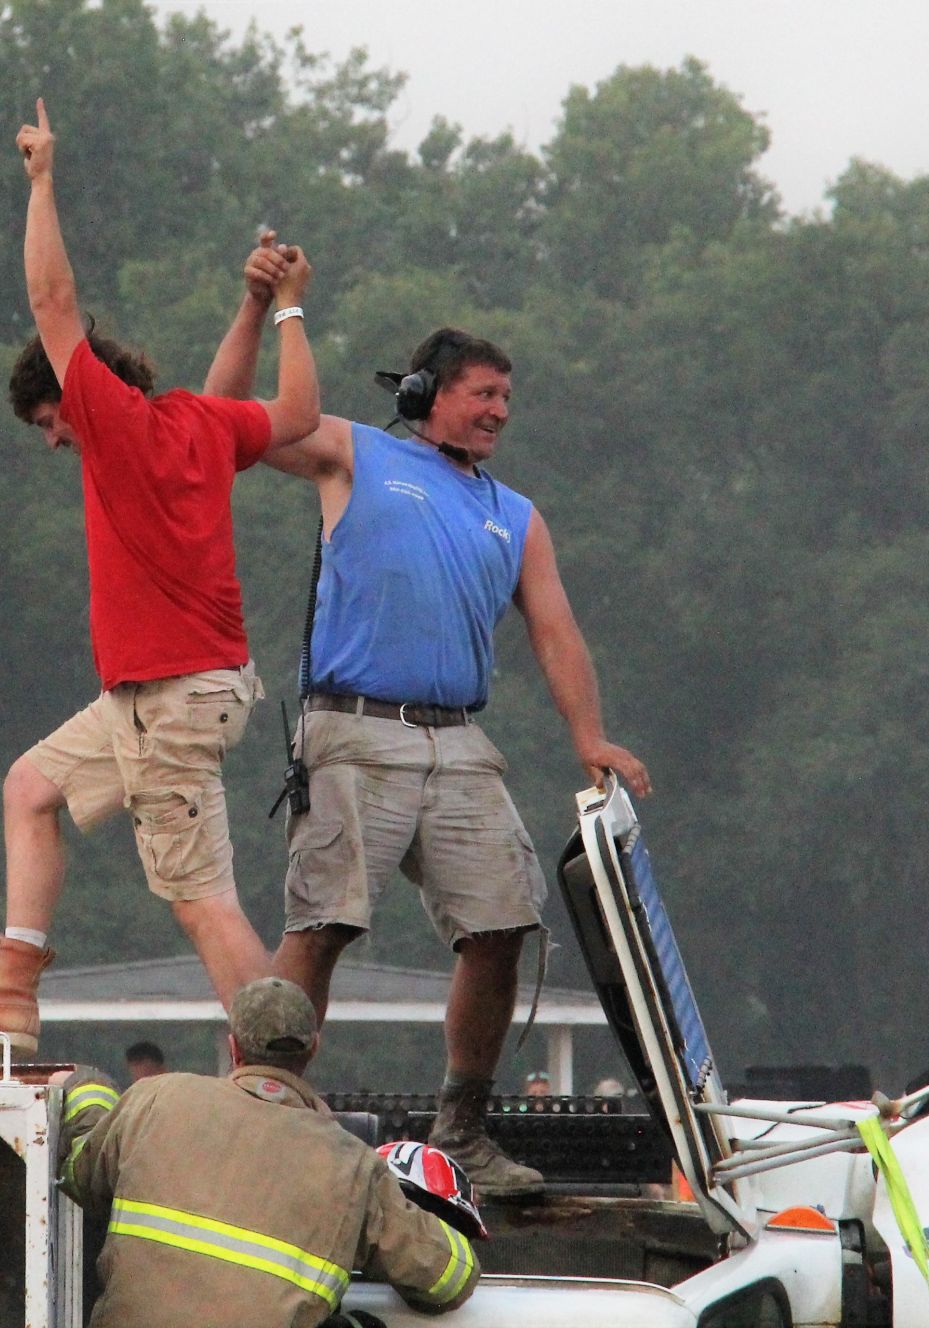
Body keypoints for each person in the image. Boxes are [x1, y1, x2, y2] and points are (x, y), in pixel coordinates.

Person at [205, 237, 651, 1197]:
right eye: (482, 393)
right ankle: (262, 1117)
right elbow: (226, 421)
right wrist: (262, 309)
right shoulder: (354, 451)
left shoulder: (517, 514)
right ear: (429, 393)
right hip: (353, 726)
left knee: (501, 925)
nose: (497, 411)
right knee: (322, 924)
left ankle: (464, 1134)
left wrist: (589, 737)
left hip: (458, 739)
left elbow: (557, 632)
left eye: (505, 399)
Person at [0, 104, 321, 1052]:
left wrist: (42, 177)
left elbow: (55, 305)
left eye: (50, 421)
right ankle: (13, 983)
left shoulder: (114, 425)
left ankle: (282, 1077)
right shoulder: (199, 427)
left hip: (172, 697)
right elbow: (293, 410)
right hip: (160, 696)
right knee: (29, 787)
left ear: (80, 393)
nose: (56, 441)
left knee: (200, 900)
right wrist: (274, 304)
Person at [57, 978, 480, 1328]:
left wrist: (85, 1086)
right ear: (313, 1048)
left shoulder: (154, 1099)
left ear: (234, 1047)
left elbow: (79, 1175)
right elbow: (450, 1279)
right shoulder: (351, 1163)